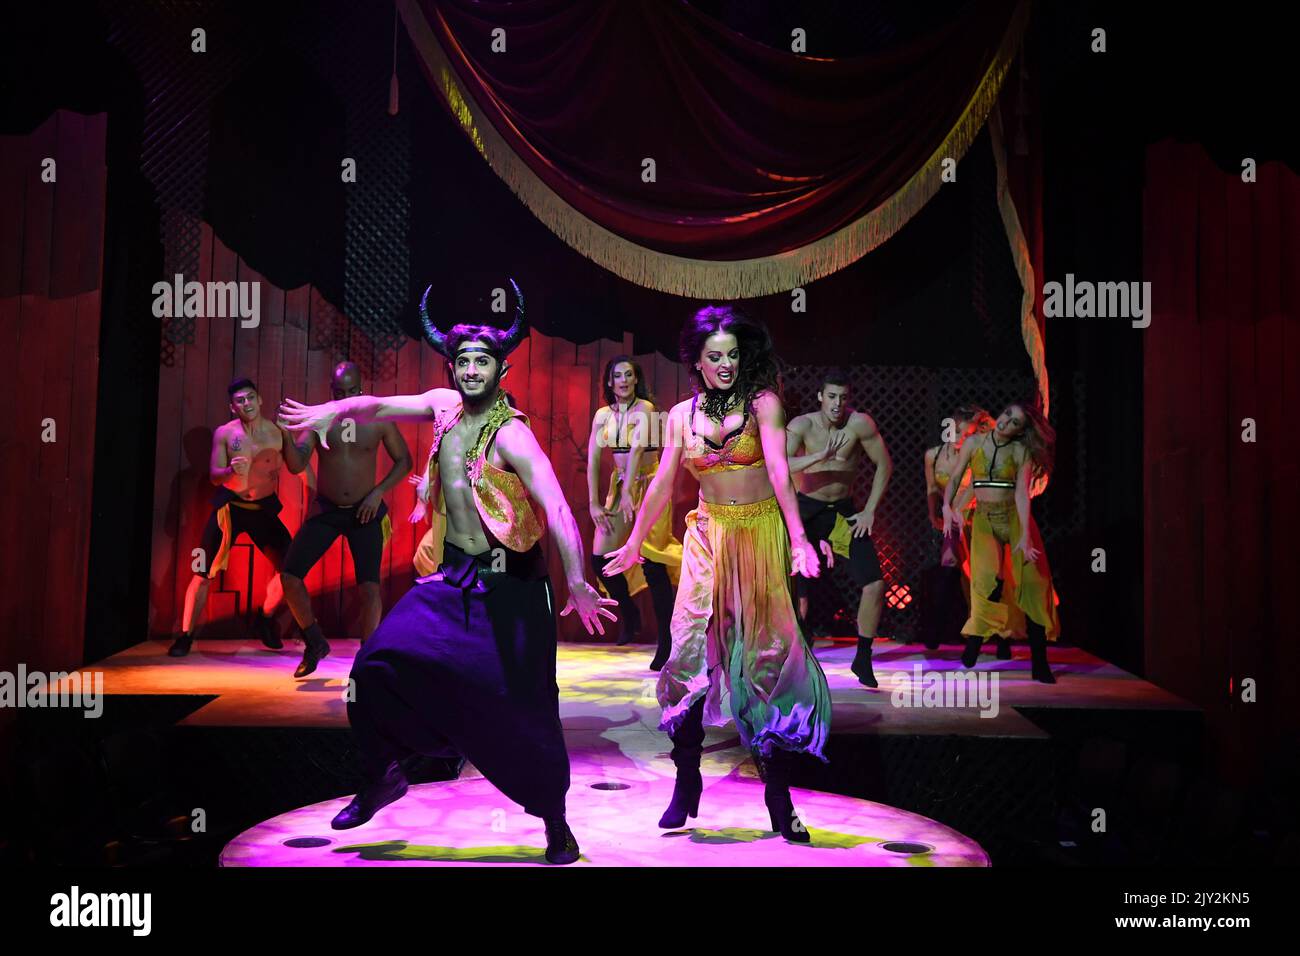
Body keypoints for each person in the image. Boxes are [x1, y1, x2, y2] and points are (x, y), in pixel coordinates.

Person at [279, 281, 616, 864]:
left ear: (501, 370)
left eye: (482, 361)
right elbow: (376, 406)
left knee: (529, 706)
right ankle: (384, 774)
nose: (470, 370)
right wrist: (328, 411)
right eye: (462, 361)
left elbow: (557, 507)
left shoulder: (513, 434)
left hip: (512, 584)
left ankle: (555, 822)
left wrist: (579, 580)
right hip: (457, 579)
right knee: (375, 664)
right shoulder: (442, 407)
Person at [604, 305, 830, 844]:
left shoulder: (763, 405)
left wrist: (799, 539)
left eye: (732, 355)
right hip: (708, 536)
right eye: (714, 357)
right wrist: (634, 542)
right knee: (687, 654)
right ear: (697, 362)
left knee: (766, 660)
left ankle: (779, 800)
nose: (725, 364)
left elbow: (779, 471)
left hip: (759, 537)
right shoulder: (681, 416)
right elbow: (660, 485)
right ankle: (686, 781)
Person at [277, 361, 412, 677]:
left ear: (361, 390)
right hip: (327, 509)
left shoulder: (379, 418)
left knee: (369, 588)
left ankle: (366, 661)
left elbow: (404, 461)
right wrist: (285, 435)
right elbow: (297, 465)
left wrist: (378, 492)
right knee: (289, 577)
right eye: (340, 393)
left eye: (352, 392)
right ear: (331, 391)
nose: (346, 398)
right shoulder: (318, 419)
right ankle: (314, 641)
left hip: (365, 511)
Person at [785, 371, 892, 688]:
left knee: (874, 583)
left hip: (841, 512)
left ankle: (863, 656)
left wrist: (869, 509)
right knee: (796, 589)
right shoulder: (802, 425)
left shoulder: (859, 424)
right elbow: (779, 462)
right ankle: (797, 653)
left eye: (843, 397)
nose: (837, 404)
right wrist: (820, 456)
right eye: (831, 396)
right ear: (820, 396)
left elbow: (884, 464)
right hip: (806, 510)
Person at [170, 378, 290, 657]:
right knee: (202, 573)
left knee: (291, 570)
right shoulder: (225, 434)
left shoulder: (277, 432)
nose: (246, 403)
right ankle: (185, 636)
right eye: (240, 400)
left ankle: (265, 618)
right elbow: (214, 476)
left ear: (260, 400)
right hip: (231, 508)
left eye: (250, 398)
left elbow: (295, 462)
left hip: (263, 510)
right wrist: (229, 472)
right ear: (232, 406)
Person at [943, 399, 1061, 682]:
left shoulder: (1021, 451)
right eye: (1007, 414)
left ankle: (1039, 662)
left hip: (1014, 518)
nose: (1007, 422)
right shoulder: (974, 444)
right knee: (987, 581)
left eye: (1016, 422)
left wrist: (1025, 536)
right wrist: (949, 507)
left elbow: (1022, 493)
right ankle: (974, 644)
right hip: (985, 518)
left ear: (1021, 431)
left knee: (1033, 584)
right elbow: (957, 478)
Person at [585, 355, 681, 669]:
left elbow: (639, 449)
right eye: (618, 376)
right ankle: (629, 611)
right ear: (610, 382)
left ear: (636, 380)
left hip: (648, 487)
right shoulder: (603, 415)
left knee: (653, 562)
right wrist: (594, 502)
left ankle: (666, 643)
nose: (624, 381)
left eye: (629, 375)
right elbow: (593, 459)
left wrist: (630, 495)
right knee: (600, 558)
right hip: (620, 486)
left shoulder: (646, 410)